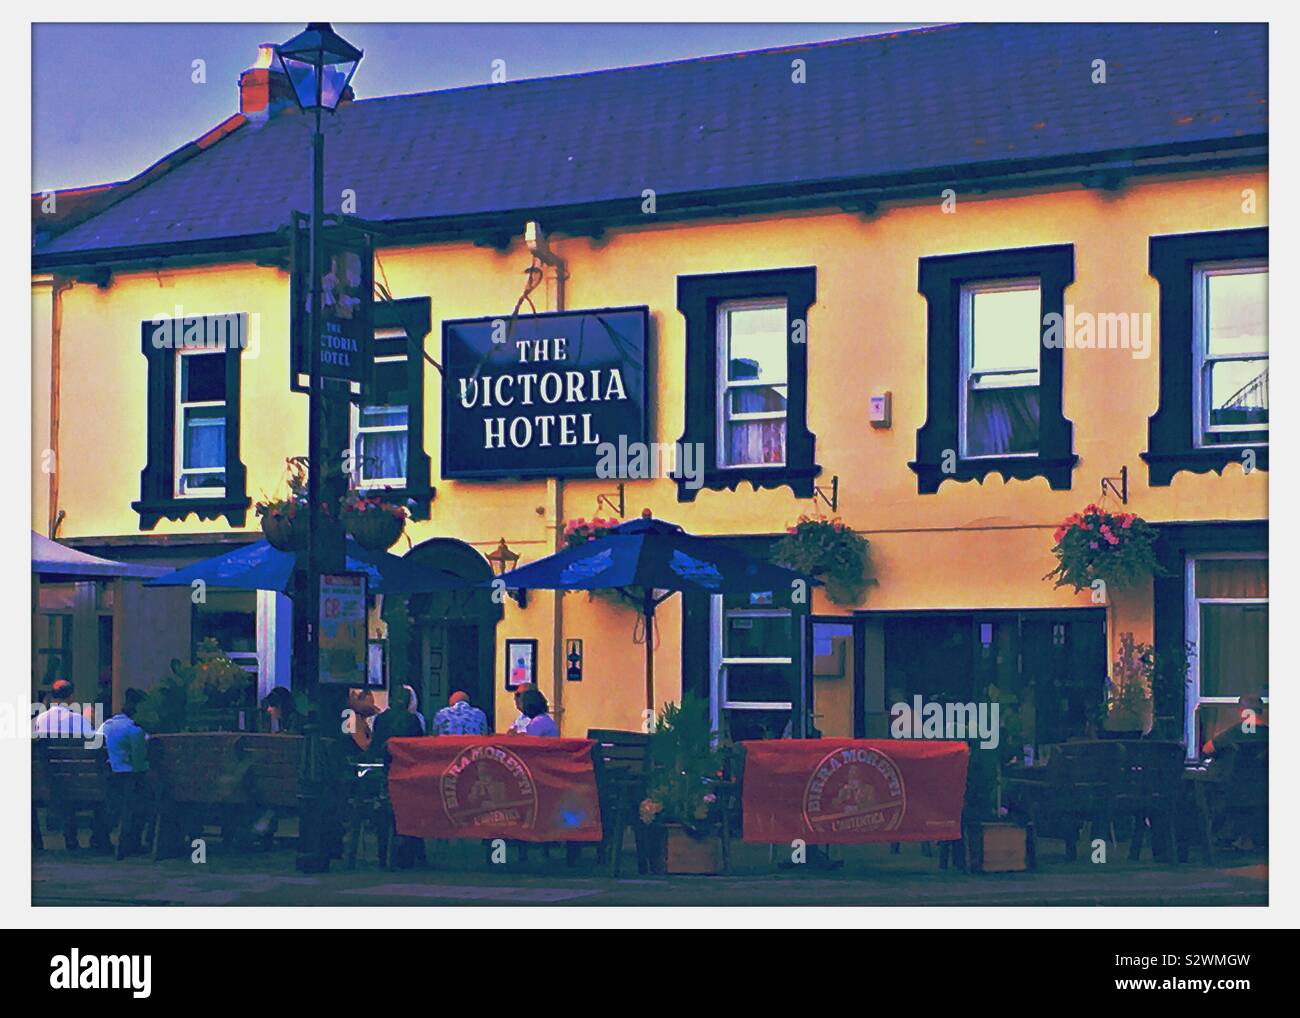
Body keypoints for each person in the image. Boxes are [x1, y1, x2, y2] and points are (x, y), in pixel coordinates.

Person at [367, 684, 426, 868]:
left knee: (384, 814)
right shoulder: (413, 721)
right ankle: (410, 855)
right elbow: (420, 749)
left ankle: (383, 855)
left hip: (387, 776)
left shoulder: (381, 720)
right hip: (408, 777)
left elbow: (375, 748)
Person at [98, 689, 151, 856]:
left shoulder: (105, 726)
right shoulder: (134, 730)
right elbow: (138, 763)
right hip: (127, 781)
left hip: (105, 780)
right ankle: (132, 841)